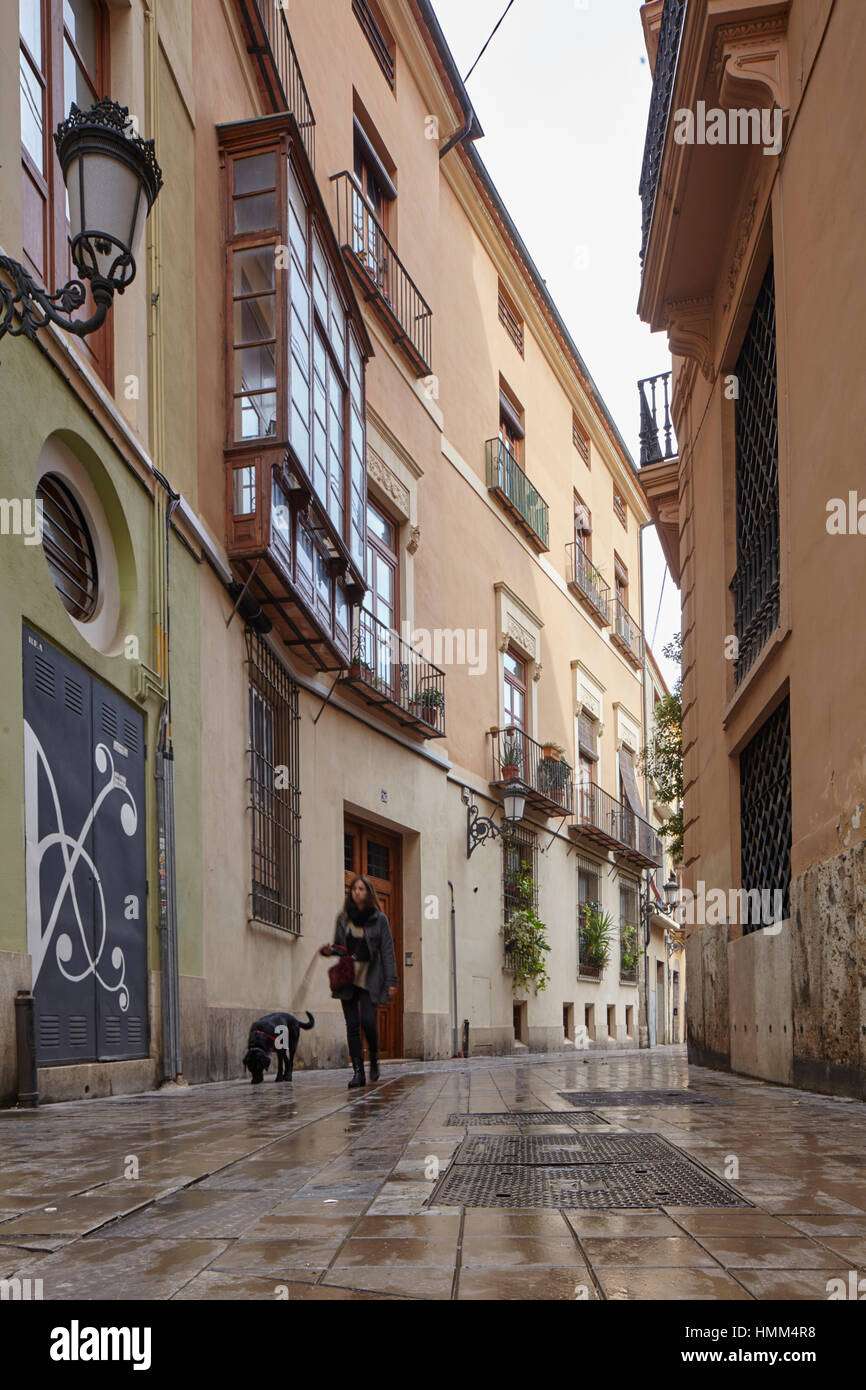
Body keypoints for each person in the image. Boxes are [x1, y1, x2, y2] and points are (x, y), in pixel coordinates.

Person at [321, 874, 398, 1089]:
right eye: (354, 888)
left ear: (368, 892)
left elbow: (387, 951)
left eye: (362, 888)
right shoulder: (343, 918)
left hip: (369, 977)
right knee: (352, 1026)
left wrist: (391, 980)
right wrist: (329, 951)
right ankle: (358, 1072)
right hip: (347, 977)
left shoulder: (379, 918)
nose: (357, 892)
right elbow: (339, 947)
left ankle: (373, 1055)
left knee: (369, 1022)